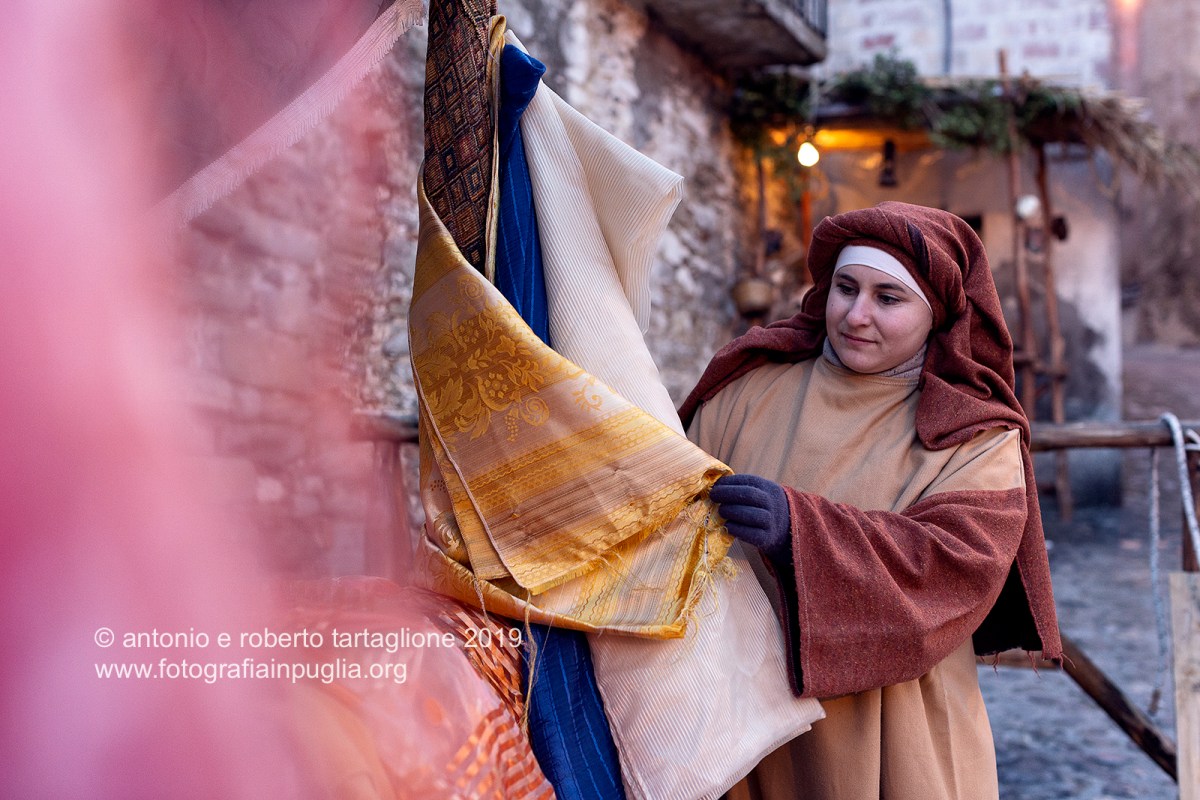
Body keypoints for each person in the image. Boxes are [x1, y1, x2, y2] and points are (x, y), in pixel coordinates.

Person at [679, 202, 1063, 800]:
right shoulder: (745, 390)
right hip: (741, 729)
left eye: (889, 298)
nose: (857, 315)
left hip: (898, 734)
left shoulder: (975, 437)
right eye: (845, 288)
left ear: (936, 313)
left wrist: (800, 533)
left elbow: (954, 567)